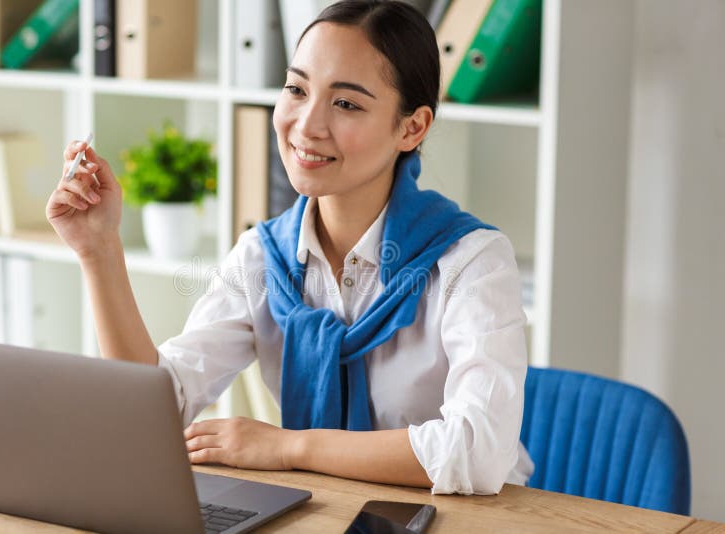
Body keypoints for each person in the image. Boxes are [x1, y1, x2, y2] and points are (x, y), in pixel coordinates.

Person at [46, 0, 533, 495]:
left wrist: (288, 447)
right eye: (297, 89)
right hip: (330, 512)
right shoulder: (264, 257)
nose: (306, 125)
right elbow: (149, 413)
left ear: (412, 127)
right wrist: (99, 251)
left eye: (346, 103)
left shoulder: (471, 261)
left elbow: (479, 452)